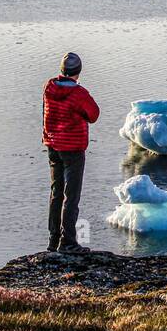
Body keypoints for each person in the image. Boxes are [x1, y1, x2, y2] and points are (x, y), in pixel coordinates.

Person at [42, 52, 100, 253]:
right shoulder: (79, 94)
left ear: (62, 70)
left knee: (56, 193)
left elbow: (46, 111)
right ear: (78, 71)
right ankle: (68, 242)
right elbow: (93, 114)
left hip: (53, 146)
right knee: (71, 196)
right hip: (73, 149)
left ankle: (53, 240)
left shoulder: (49, 87)